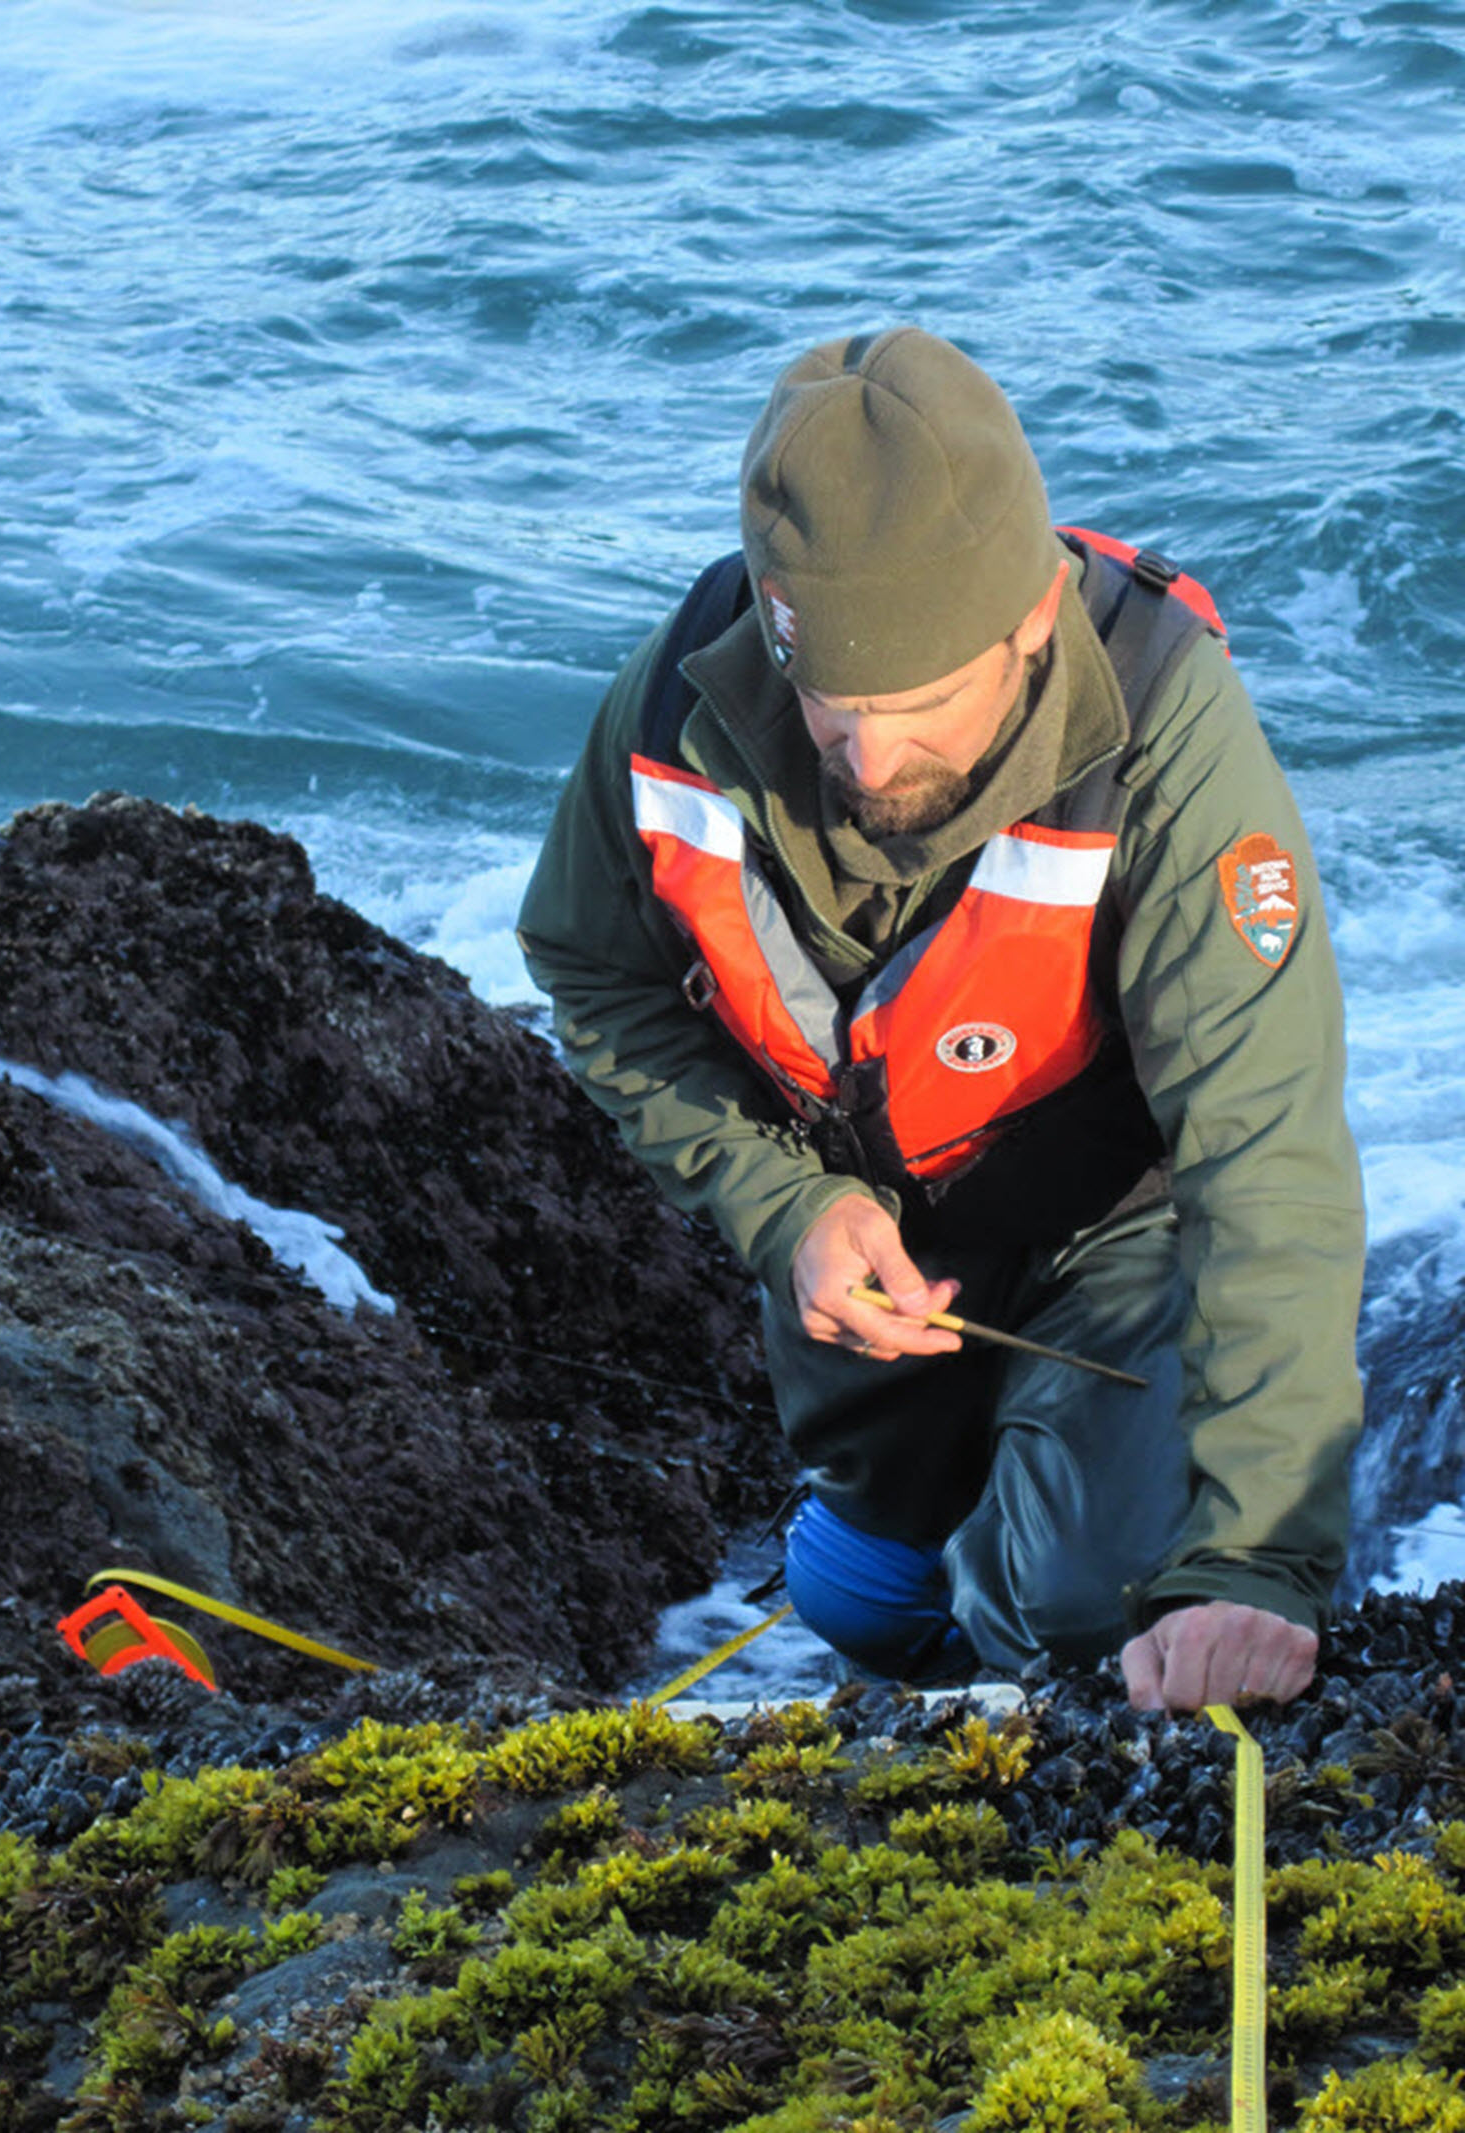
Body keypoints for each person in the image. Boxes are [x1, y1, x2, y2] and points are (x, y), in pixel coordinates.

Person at [517, 327, 1365, 1713]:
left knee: (1092, 1597)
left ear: (1031, 620)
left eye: (917, 708)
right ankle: (948, 1520)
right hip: (883, 1282)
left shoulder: (1168, 737)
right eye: (829, 706)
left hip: (1118, 1235)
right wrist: (784, 1208)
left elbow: (1266, 1153)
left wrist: (1257, 1561)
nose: (866, 760)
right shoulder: (681, 696)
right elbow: (589, 973)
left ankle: (1097, 1515)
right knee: (857, 1604)